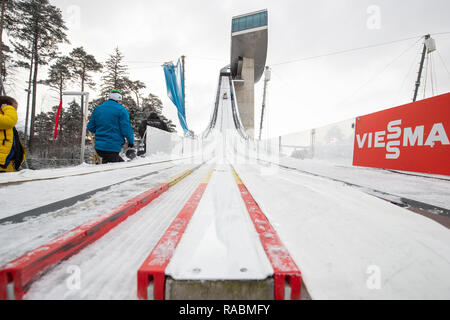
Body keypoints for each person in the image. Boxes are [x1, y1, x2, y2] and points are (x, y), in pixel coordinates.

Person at [87, 89, 135, 164]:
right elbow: (126, 128)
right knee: (114, 171)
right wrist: (131, 141)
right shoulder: (121, 110)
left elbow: (90, 127)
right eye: (120, 101)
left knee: (119, 165)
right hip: (112, 147)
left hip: (99, 147)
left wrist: (101, 130)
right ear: (118, 99)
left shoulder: (98, 109)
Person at [0, 96, 26, 173]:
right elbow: (9, 121)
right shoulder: (6, 121)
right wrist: (9, 109)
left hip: (7, 164)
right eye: (13, 109)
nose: (14, 112)